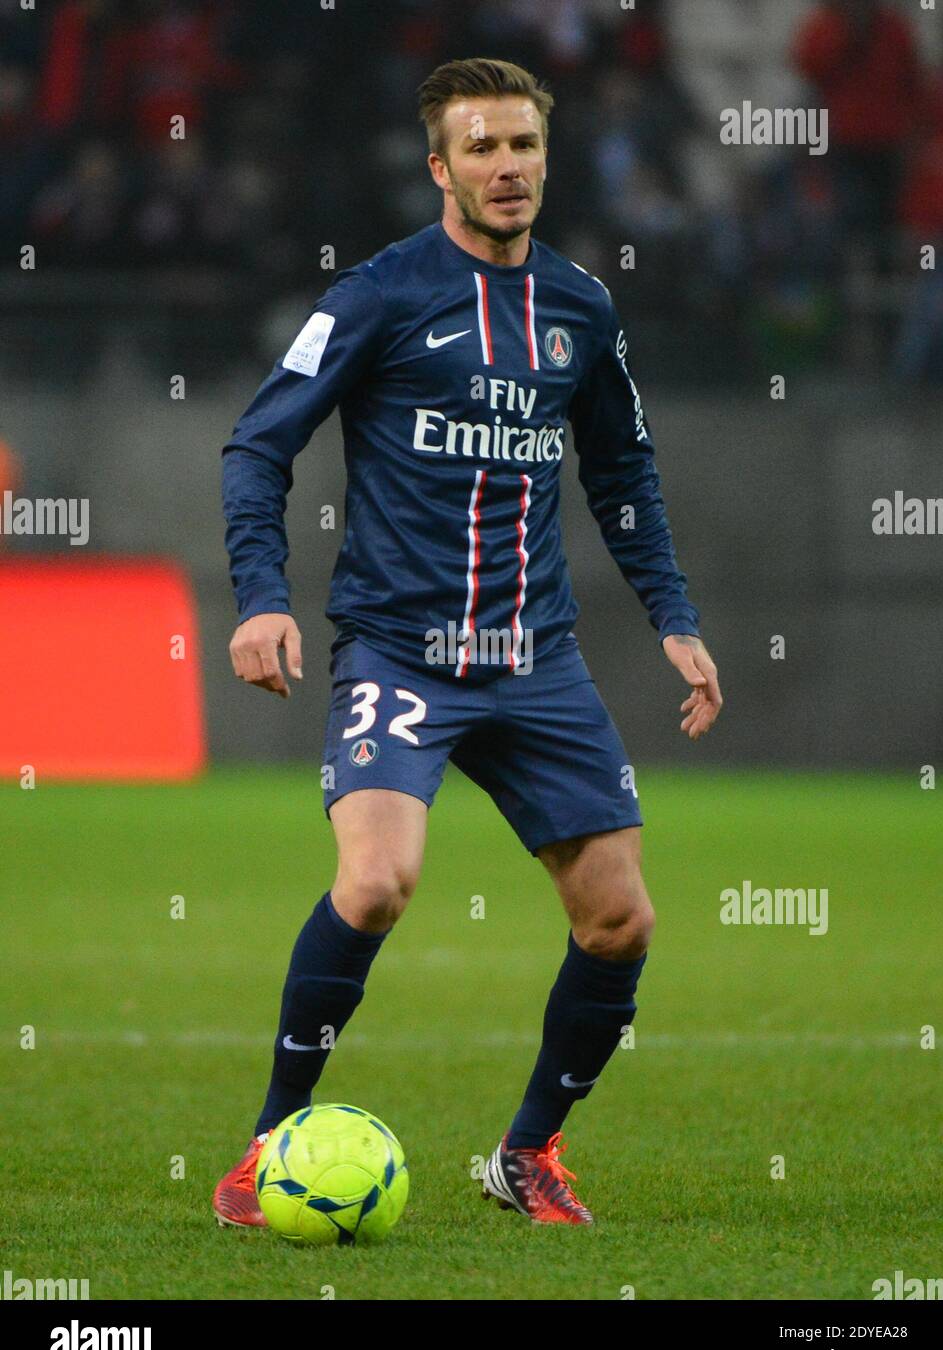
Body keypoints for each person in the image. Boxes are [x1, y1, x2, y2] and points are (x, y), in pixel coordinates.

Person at [215, 56, 722, 1230]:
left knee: (621, 919)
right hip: (401, 650)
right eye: (482, 148)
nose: (507, 167)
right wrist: (260, 593)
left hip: (536, 660)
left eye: (524, 147)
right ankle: (267, 1144)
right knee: (379, 882)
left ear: (548, 159)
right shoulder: (378, 295)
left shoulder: (583, 309)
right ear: (439, 166)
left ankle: (527, 1152)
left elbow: (624, 474)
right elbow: (256, 444)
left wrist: (675, 617)